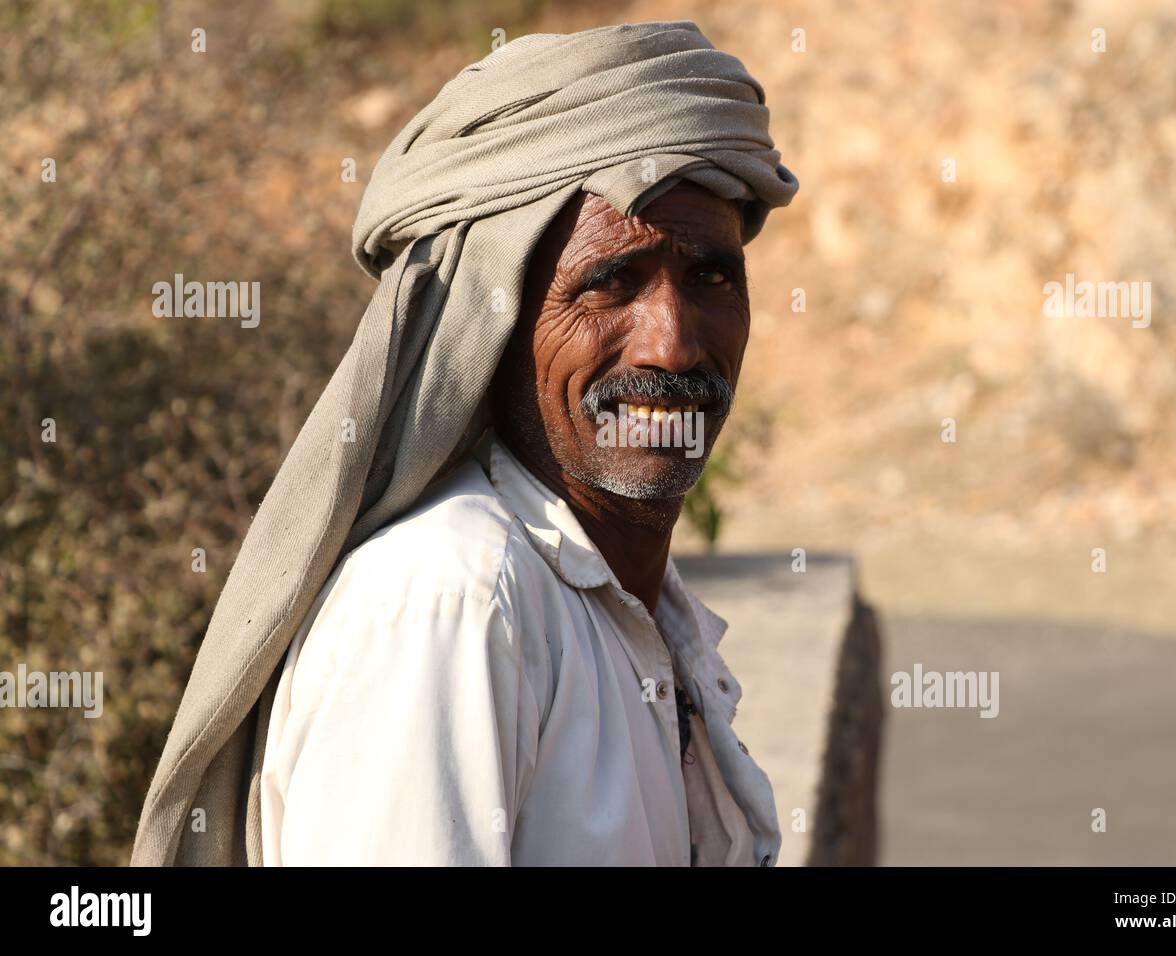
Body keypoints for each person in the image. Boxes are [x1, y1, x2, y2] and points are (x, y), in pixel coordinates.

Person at [132, 20, 798, 866]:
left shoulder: (623, 604)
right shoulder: (453, 604)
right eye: (609, 283)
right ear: (494, 320)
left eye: (710, 277)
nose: (672, 343)